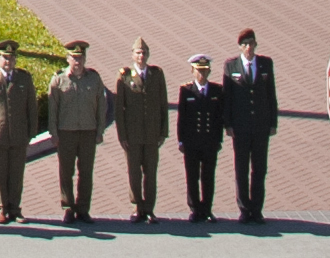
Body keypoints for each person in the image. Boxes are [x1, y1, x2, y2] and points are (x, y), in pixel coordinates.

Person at [0, 41, 39, 227]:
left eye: (11, 58)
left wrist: (31, 132)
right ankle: (1, 208)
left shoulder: (24, 79)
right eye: (5, 57)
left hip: (19, 135)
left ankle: (15, 208)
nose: (8, 61)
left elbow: (32, 107)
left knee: (16, 174)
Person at [47, 37, 109, 224]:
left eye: (80, 57)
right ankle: (68, 208)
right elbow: (53, 109)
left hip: (88, 132)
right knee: (66, 172)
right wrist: (54, 133)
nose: (77, 61)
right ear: (67, 59)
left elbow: (101, 106)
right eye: (74, 57)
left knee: (86, 172)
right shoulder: (58, 79)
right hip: (66, 132)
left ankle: (83, 209)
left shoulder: (94, 79)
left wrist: (100, 130)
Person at [222, 28, 278, 224]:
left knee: (259, 168)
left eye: (251, 44)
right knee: (241, 169)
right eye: (245, 45)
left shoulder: (265, 64)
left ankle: (257, 208)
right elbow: (227, 97)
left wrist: (273, 122)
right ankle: (244, 208)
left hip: (260, 126)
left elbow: (271, 94)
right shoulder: (231, 66)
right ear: (240, 46)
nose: (248, 48)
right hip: (241, 127)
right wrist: (227, 123)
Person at [113, 38, 170, 226]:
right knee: (134, 173)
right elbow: (119, 110)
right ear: (132, 55)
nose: (141, 56)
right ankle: (137, 207)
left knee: (151, 172)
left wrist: (163, 132)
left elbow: (163, 104)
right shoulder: (125, 76)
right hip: (133, 135)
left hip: (152, 134)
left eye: (144, 53)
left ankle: (149, 209)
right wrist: (122, 136)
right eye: (138, 53)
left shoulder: (156, 74)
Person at [175, 52, 227, 224]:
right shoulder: (186, 90)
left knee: (208, 176)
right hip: (191, 142)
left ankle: (207, 209)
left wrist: (218, 139)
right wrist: (181, 140)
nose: (202, 74)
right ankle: (195, 209)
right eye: (199, 71)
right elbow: (181, 118)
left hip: (209, 141)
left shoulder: (216, 90)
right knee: (192, 176)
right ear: (192, 71)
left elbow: (219, 116)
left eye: (205, 71)